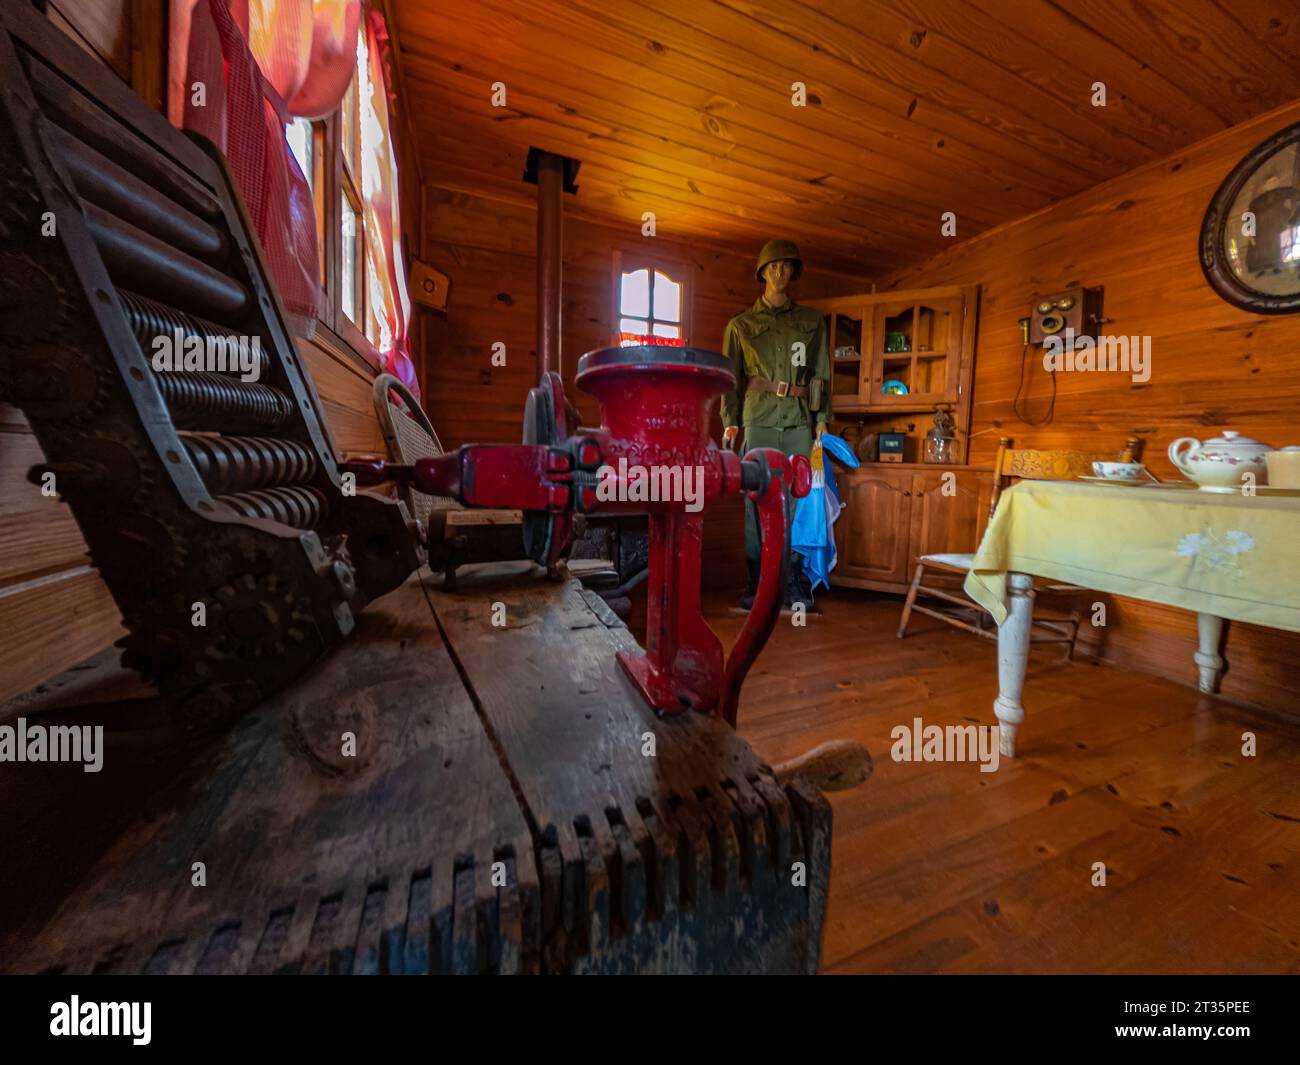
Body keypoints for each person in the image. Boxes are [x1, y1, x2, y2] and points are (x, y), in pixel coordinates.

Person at [720, 239, 830, 611]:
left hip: (799, 422)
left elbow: (821, 373)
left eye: (787, 267)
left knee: (803, 500)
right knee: (756, 501)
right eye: (774, 267)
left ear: (794, 273)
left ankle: (792, 582)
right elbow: (731, 379)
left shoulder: (812, 322)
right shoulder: (740, 326)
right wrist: (730, 424)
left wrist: (822, 421)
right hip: (759, 420)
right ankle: (756, 582)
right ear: (762, 272)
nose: (780, 273)